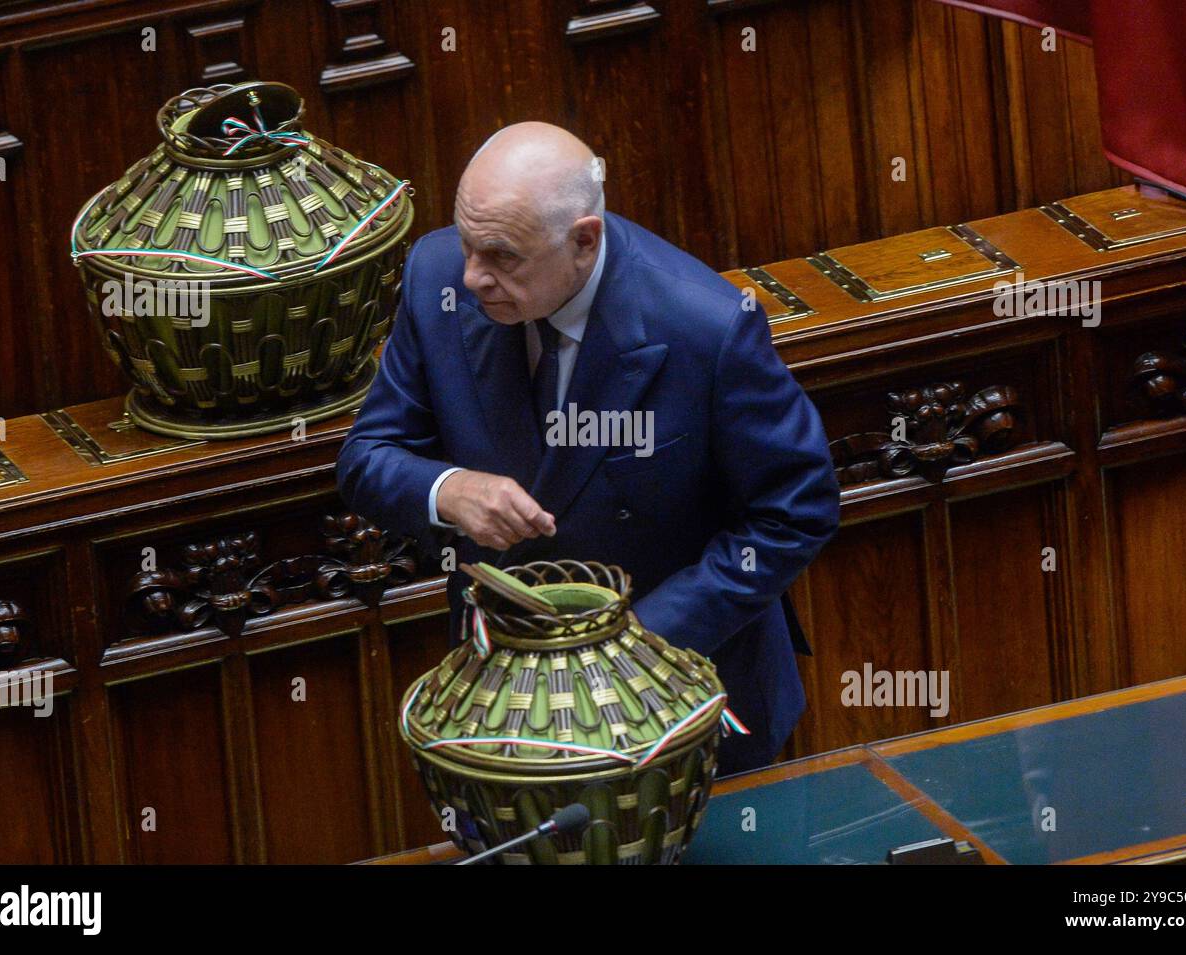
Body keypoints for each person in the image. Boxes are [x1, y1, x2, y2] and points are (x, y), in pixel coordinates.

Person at [336, 122, 840, 774]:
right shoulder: (437, 278)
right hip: (508, 707)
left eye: (501, 257)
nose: (472, 276)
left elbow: (796, 510)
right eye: (466, 246)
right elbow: (367, 455)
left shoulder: (706, 327)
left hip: (684, 701)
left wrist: (632, 646)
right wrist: (448, 490)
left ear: (583, 240)